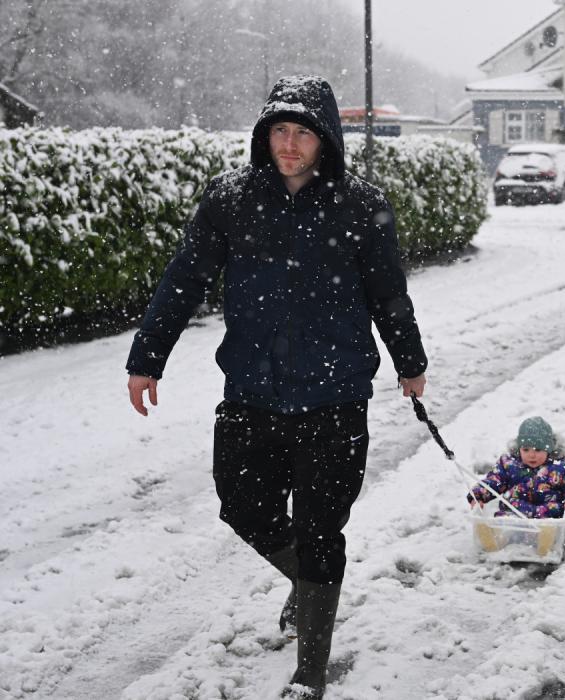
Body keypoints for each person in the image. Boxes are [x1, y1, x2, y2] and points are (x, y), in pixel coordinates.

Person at [125, 75, 427, 700]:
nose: (289, 145)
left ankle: (310, 671)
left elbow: (388, 294)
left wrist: (409, 360)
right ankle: (308, 582)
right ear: (264, 136)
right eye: (279, 131)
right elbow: (184, 280)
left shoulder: (358, 204)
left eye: (303, 133)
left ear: (325, 141)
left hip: (335, 395)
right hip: (251, 392)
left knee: (322, 529)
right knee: (240, 506)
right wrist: (147, 356)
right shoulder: (230, 199)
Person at [467, 416, 565, 520]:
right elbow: (494, 480)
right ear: (519, 448)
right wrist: (478, 495)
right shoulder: (509, 465)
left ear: (549, 449)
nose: (532, 455)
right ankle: (497, 537)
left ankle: (546, 540)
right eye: (526, 449)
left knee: (555, 509)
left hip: (548, 516)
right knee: (509, 505)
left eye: (538, 450)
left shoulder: (560, 468)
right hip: (516, 513)